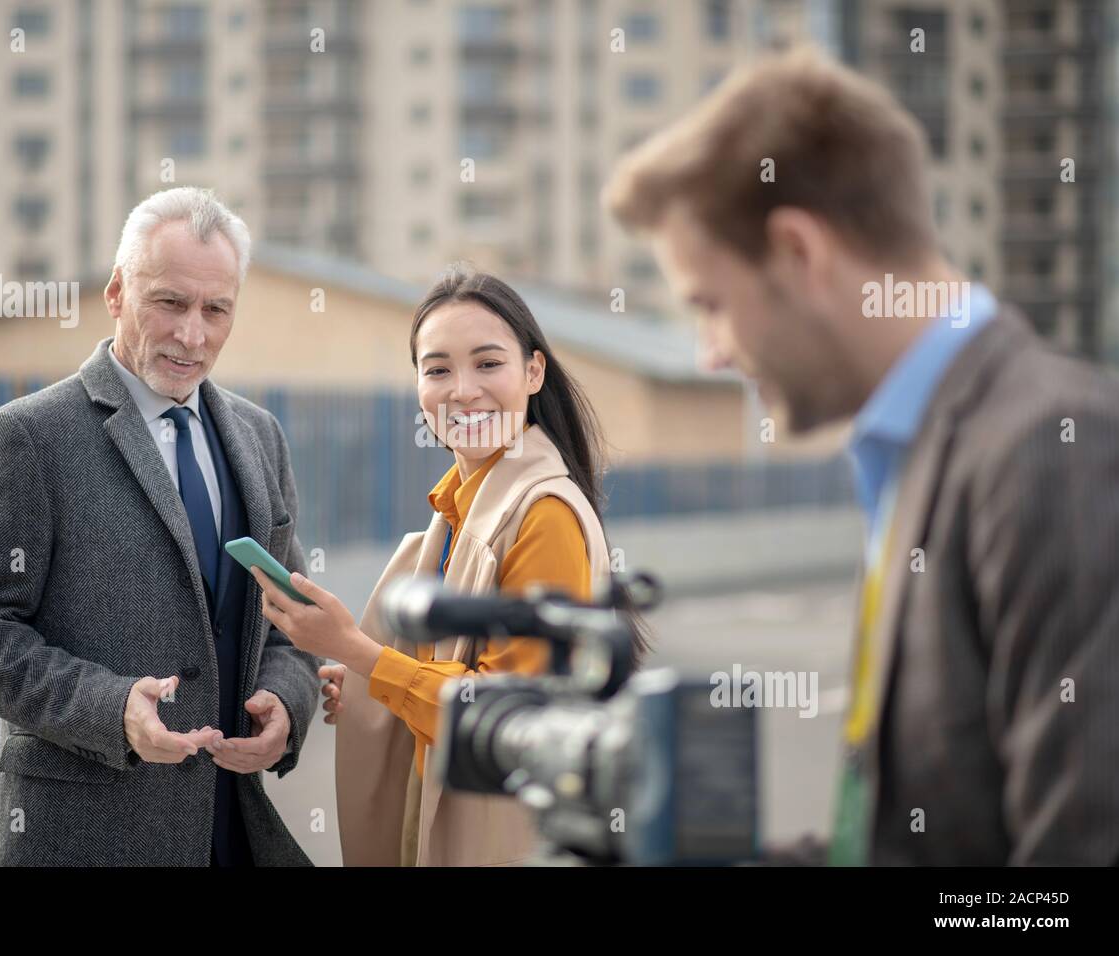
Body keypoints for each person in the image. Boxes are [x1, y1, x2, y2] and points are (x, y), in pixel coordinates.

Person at [604, 48, 1119, 866]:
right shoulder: (921, 457)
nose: (709, 355)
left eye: (710, 305)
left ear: (801, 253)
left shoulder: (1054, 453)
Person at [0, 187, 320, 866]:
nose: (191, 334)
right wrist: (111, 709)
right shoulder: (27, 438)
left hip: (230, 834)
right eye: (169, 302)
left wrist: (287, 706)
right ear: (116, 293)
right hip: (84, 838)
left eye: (215, 309)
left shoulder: (261, 437)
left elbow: (294, 620)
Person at [253, 266, 649, 865]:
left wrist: (360, 653)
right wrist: (371, 686)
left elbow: (510, 715)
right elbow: (451, 673)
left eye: (488, 363)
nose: (462, 390)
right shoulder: (457, 514)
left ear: (533, 372)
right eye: (437, 369)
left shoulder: (542, 514)